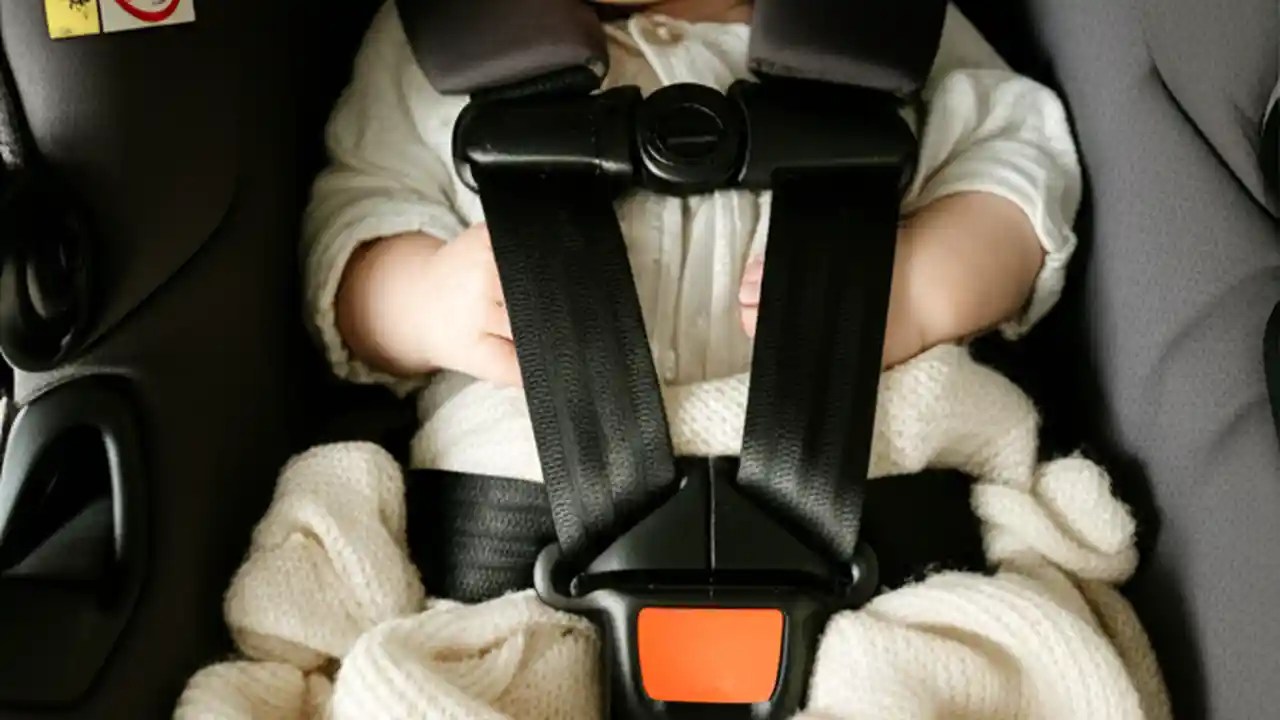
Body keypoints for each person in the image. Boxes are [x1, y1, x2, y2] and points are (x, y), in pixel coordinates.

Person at [302, 0, 1080, 480]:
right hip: (525, 487)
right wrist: (426, 300)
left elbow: (1018, 160)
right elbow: (355, 227)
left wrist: (914, 285)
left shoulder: (882, 26)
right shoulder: (436, 44)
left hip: (865, 460)